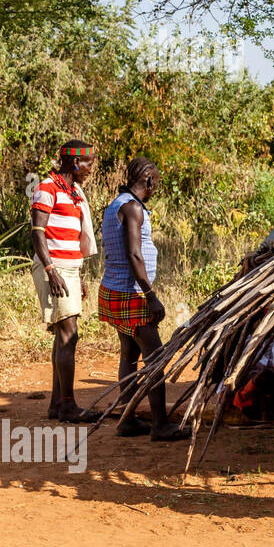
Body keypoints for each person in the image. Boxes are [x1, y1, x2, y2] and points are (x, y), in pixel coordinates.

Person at [97, 158, 188, 440]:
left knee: (129, 353)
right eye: (156, 181)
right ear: (148, 179)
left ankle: (127, 419)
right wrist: (151, 297)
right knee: (155, 358)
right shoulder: (133, 207)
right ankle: (160, 425)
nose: (156, 187)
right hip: (133, 295)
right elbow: (134, 254)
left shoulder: (115, 205)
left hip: (113, 290)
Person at [30, 140, 99, 422]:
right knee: (69, 335)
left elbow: (71, 237)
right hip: (55, 268)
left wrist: (78, 275)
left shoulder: (72, 191)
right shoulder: (46, 188)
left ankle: (57, 404)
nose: (91, 169)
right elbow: (37, 232)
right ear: (74, 163)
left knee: (63, 336)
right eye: (89, 163)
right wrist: (51, 270)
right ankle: (68, 406)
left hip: (68, 268)